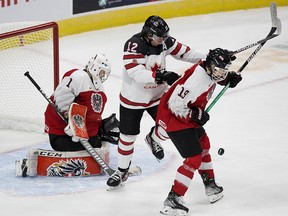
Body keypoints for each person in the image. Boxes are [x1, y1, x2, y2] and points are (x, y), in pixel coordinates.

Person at [106, 15, 207, 188]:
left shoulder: (164, 42)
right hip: (133, 98)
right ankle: (122, 171)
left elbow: (187, 53)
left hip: (158, 97)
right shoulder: (133, 44)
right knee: (127, 136)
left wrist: (209, 56)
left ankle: (153, 138)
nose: (163, 40)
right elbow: (135, 73)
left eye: (165, 36)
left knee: (171, 125)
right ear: (148, 34)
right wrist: (159, 75)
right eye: (160, 36)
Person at [156, 48, 242, 215]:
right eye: (218, 70)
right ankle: (174, 198)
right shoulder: (197, 80)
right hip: (174, 119)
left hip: (184, 117)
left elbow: (213, 78)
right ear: (210, 65)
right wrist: (195, 114)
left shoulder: (208, 69)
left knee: (204, 144)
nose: (220, 74)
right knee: (194, 158)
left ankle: (210, 184)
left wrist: (226, 79)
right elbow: (175, 104)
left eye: (222, 71)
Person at [44, 53, 118, 151]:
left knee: (96, 143)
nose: (103, 76)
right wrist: (70, 122)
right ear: (94, 68)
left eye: (105, 74)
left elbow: (92, 114)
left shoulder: (100, 89)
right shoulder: (78, 77)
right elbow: (61, 100)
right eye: (102, 72)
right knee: (93, 146)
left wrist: (100, 129)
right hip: (60, 133)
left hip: (82, 134)